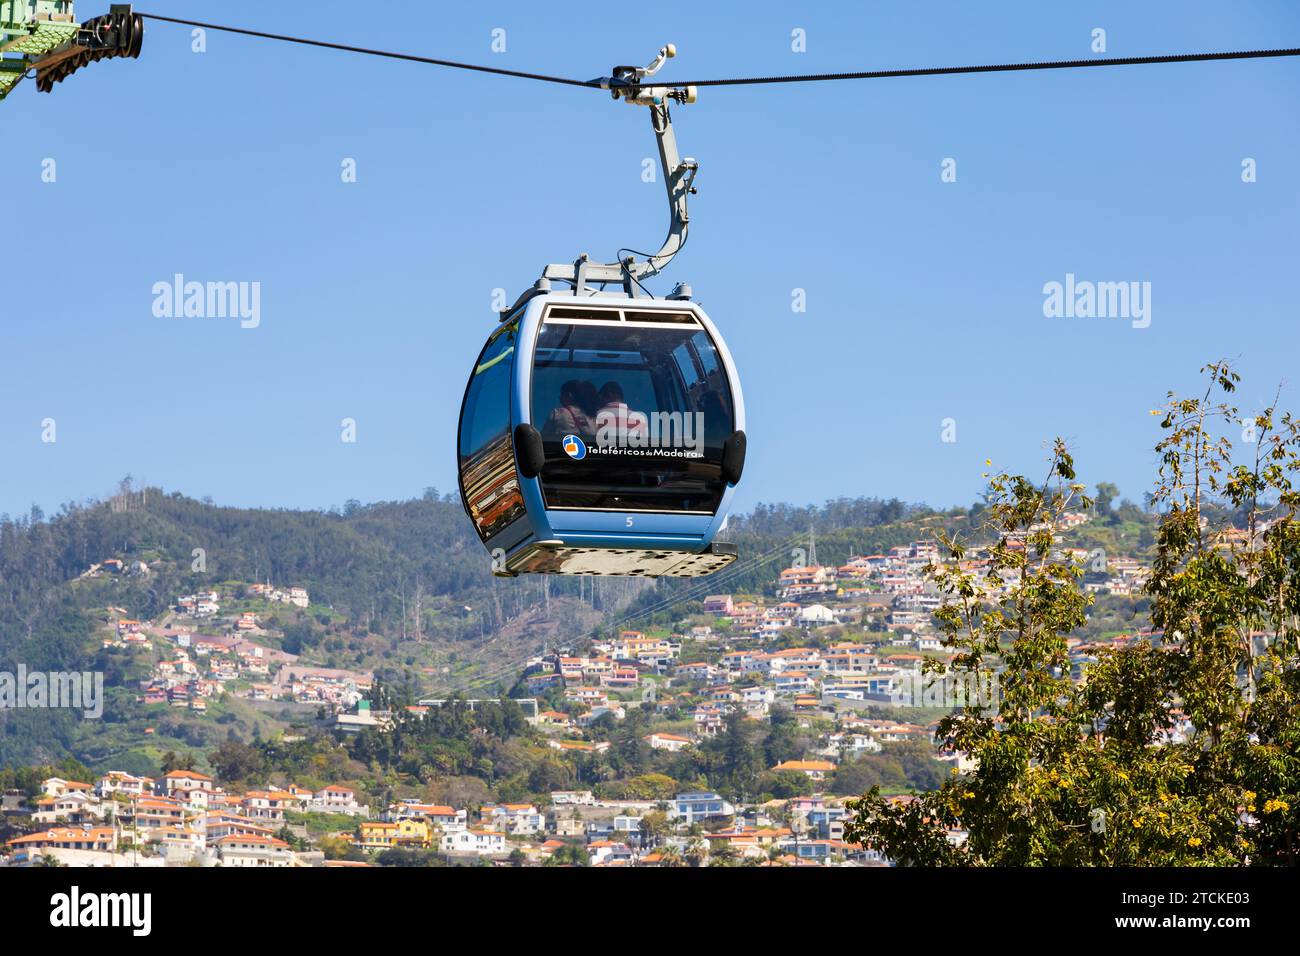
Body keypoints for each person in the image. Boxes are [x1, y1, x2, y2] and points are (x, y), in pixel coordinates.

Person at [595, 381, 648, 447]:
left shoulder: (597, 415)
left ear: (609, 395)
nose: (598, 403)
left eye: (600, 398)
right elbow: (644, 447)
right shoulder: (641, 418)